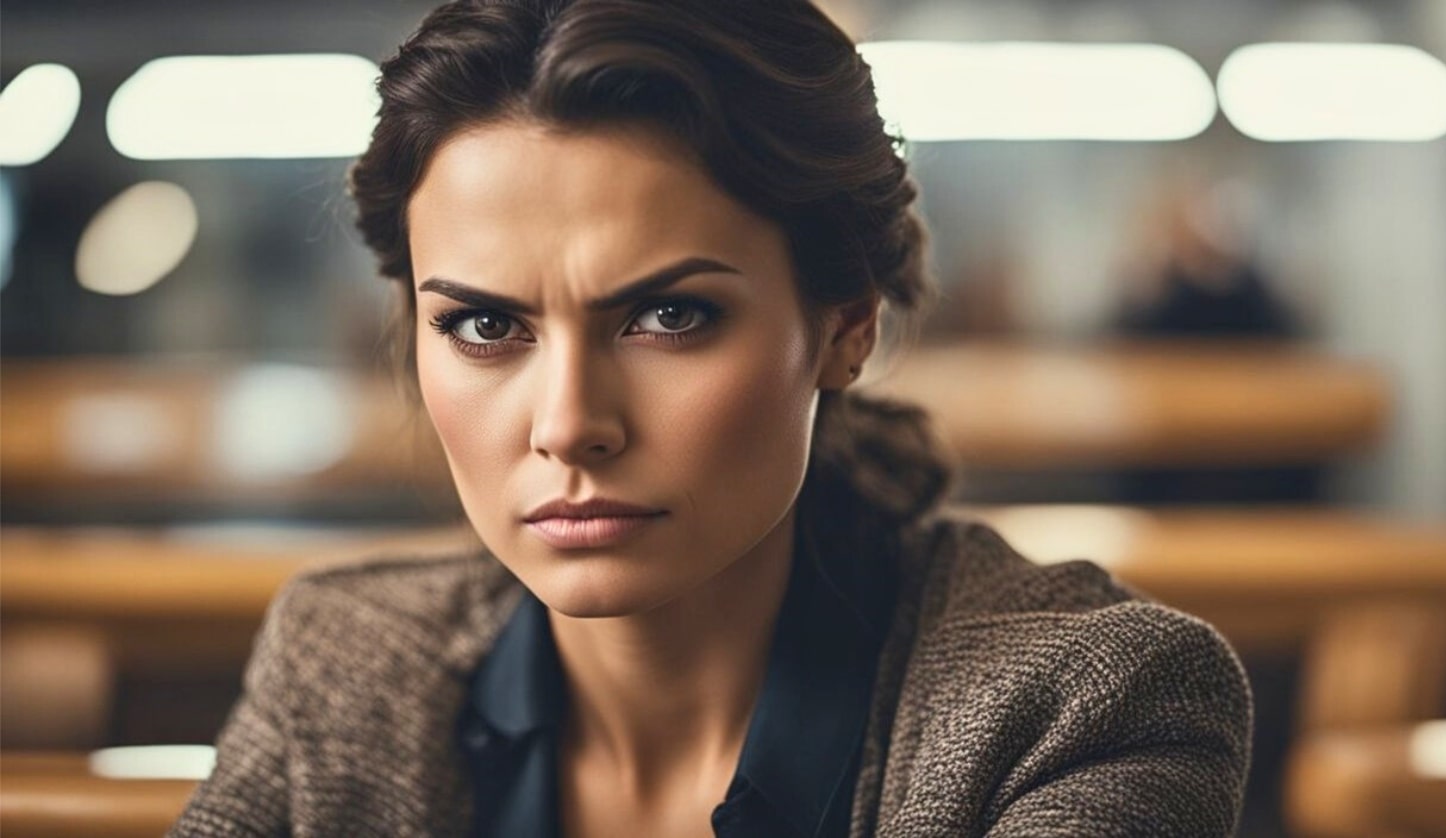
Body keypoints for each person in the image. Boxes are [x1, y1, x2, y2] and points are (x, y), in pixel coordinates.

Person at [171, 1, 1251, 835]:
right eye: (486, 326)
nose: (569, 424)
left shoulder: (1082, 706)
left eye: (668, 314)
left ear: (844, 327)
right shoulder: (342, 664)